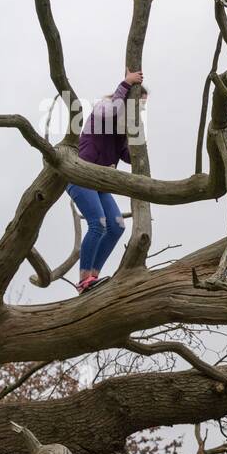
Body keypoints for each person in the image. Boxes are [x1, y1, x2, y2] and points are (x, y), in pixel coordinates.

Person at [67, 69, 145, 294]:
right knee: (98, 224)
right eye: (139, 104)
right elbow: (112, 112)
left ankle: (93, 275)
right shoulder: (104, 108)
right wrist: (126, 83)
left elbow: (126, 155)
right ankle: (83, 279)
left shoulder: (122, 130)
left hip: (100, 182)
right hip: (81, 175)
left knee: (117, 226)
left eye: (143, 107)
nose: (141, 110)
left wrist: (139, 147)